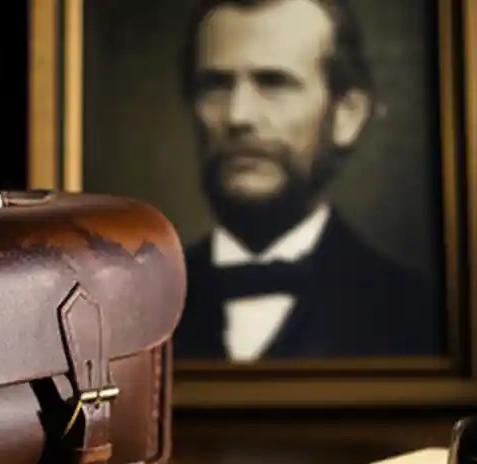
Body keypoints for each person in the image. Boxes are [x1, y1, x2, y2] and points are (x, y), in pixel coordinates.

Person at [173, 0, 443, 361]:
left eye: (274, 83)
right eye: (215, 85)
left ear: (347, 114)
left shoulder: (420, 313)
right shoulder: (139, 305)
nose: (238, 115)